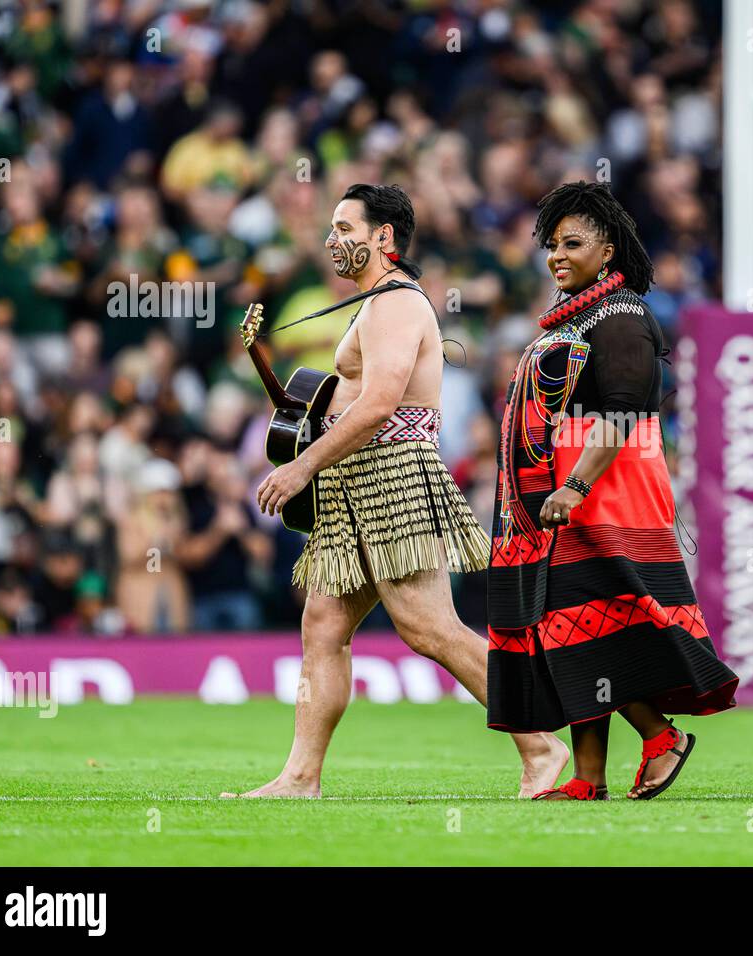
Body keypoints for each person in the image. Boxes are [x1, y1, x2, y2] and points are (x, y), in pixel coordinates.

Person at [229, 183, 568, 798]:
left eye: (345, 227)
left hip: (395, 477)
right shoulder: (377, 305)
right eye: (331, 229)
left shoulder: (396, 304)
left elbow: (383, 404)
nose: (334, 239)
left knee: (429, 627)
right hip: (359, 479)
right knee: (323, 626)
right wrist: (273, 374)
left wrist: (302, 466)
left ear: (383, 237)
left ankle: (541, 743)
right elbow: (344, 398)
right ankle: (301, 777)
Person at [486, 182, 738, 801]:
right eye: (551, 245)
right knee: (571, 626)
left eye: (573, 243)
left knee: (588, 624)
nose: (556, 255)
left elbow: (623, 412)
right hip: (564, 492)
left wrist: (574, 484)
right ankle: (588, 774)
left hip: (605, 492)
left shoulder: (622, 316)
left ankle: (660, 737)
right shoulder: (583, 314)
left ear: (609, 251)